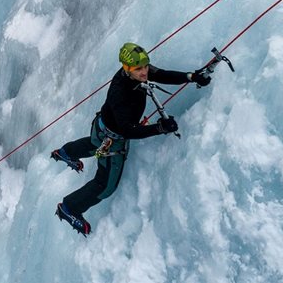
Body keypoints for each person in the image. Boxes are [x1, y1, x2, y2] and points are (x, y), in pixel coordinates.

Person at [52, 42, 211, 237]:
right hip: (113, 138)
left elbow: (162, 75)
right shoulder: (119, 92)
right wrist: (160, 128)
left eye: (145, 66)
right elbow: (127, 131)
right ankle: (69, 208)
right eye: (138, 69)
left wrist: (191, 76)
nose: (144, 72)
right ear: (127, 68)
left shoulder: (134, 73)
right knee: (105, 186)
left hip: (101, 128)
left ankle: (65, 152)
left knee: (94, 144)